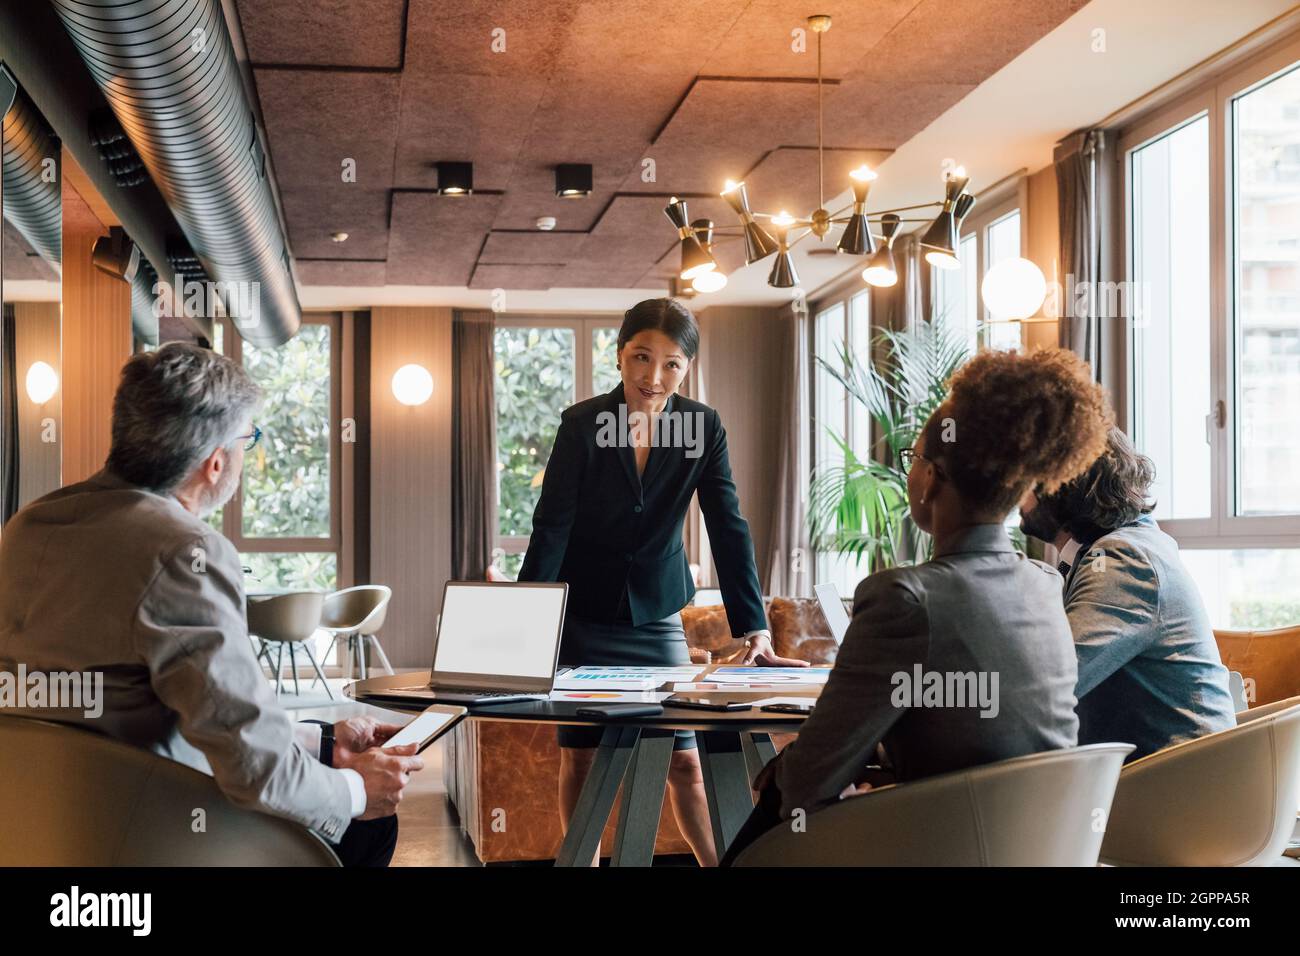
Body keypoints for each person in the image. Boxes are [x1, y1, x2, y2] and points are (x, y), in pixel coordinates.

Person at [0, 343, 421, 866]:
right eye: (249, 438)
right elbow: (255, 772)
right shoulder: (182, 549)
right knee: (368, 827)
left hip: (28, 818)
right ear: (215, 462)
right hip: (141, 823)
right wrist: (358, 791)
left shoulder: (27, 526)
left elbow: (153, 709)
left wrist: (324, 740)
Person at [720, 347, 1113, 865]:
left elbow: (810, 777)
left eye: (914, 459)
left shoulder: (904, 599)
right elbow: (983, 737)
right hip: (1043, 848)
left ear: (931, 479)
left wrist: (790, 772)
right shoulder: (1043, 584)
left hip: (944, 847)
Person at [517, 297, 805, 867]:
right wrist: (527, 625)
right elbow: (552, 527)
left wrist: (755, 627)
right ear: (620, 354)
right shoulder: (581, 426)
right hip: (582, 614)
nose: (654, 377)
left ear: (688, 367)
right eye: (642, 357)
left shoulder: (701, 427)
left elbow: (728, 526)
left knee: (685, 761)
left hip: (655, 617)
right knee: (581, 759)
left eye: (672, 363)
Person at [1019, 428, 1235, 760]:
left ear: (1062, 484)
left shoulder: (1123, 559)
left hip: (1180, 790)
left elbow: (1049, 685)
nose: (1012, 489)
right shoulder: (1126, 546)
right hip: (1159, 778)